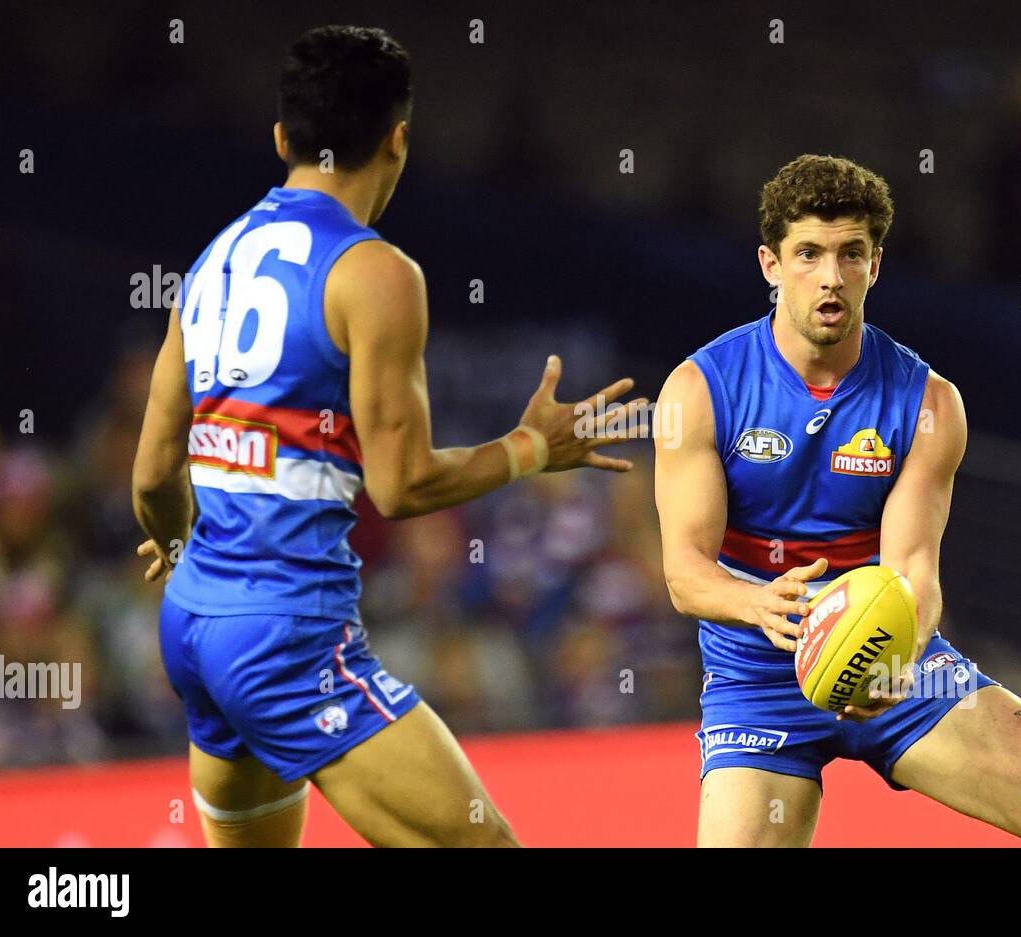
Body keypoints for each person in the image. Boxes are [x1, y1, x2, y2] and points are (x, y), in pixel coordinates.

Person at [131, 24, 644, 847]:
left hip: (193, 627)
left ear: (280, 137)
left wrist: (177, 543)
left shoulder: (210, 264)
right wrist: (531, 448)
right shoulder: (377, 274)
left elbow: (155, 471)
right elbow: (400, 486)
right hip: (288, 638)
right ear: (399, 138)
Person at [653, 153, 1021, 847]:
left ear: (875, 264)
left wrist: (899, 653)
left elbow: (914, 571)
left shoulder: (928, 403)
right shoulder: (701, 391)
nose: (831, 276)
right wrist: (757, 602)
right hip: (756, 678)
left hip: (895, 664)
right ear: (770, 264)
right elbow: (684, 572)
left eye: (851, 253)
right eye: (809, 254)